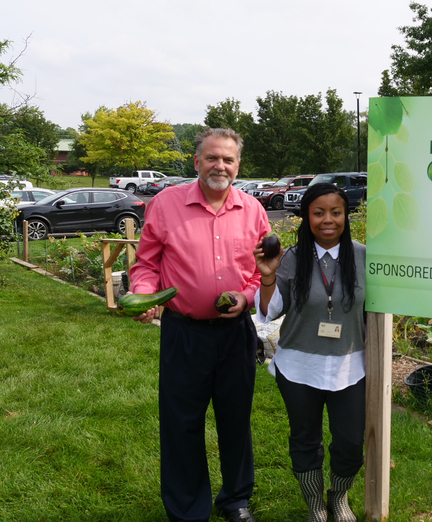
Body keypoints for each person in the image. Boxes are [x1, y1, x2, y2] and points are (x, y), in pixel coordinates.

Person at [129, 128, 270, 522]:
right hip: (184, 332)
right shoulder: (165, 204)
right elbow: (147, 263)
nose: (219, 166)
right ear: (197, 162)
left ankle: (236, 500)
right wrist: (143, 294)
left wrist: (247, 295)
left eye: (227, 159)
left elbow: (263, 271)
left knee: (236, 419)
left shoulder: (254, 210)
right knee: (181, 422)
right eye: (212, 158)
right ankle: (188, 509)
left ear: (238, 165)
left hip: (236, 333)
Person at [253, 183, 366, 522]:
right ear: (306, 217)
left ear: (346, 216)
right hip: (300, 367)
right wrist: (269, 277)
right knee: (305, 440)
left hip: (351, 367)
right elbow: (270, 311)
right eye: (318, 213)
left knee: (350, 442)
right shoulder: (292, 257)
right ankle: (316, 504)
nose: (327, 220)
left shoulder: (364, 256)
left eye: (336, 212)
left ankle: (340, 496)